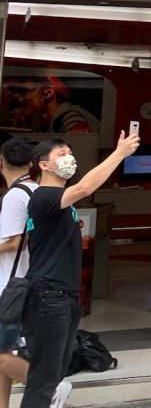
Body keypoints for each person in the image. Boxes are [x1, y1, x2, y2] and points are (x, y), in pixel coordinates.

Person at [22, 131, 139, 408]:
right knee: (44, 376)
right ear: (43, 165)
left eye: (70, 153)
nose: (69, 158)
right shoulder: (43, 197)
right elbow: (85, 188)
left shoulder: (60, 199)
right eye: (61, 154)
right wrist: (120, 153)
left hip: (63, 296)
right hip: (47, 297)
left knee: (57, 370)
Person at [0, 138, 48, 408]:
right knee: (5, 350)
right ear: (31, 163)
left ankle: (49, 387)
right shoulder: (36, 189)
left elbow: (15, 241)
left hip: (13, 286)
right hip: (32, 280)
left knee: (0, 353)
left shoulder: (14, 197)